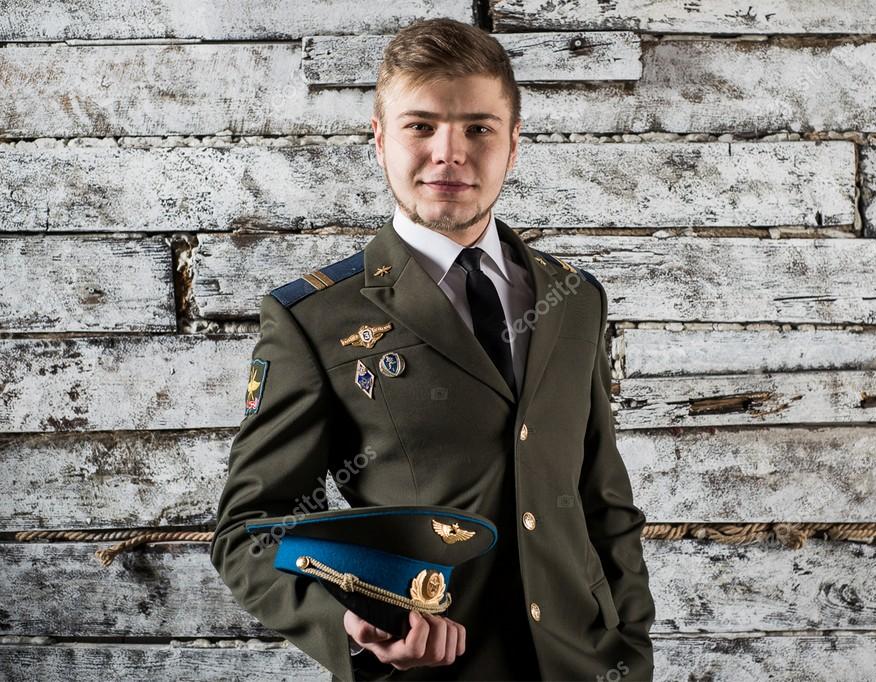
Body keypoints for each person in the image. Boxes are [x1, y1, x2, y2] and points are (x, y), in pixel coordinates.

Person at [210, 17, 656, 682]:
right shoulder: (315, 318)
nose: (451, 152)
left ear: (513, 142)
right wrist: (351, 631)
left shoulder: (575, 299)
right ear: (380, 137)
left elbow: (602, 502)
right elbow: (253, 529)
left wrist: (630, 650)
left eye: (478, 127)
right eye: (421, 126)